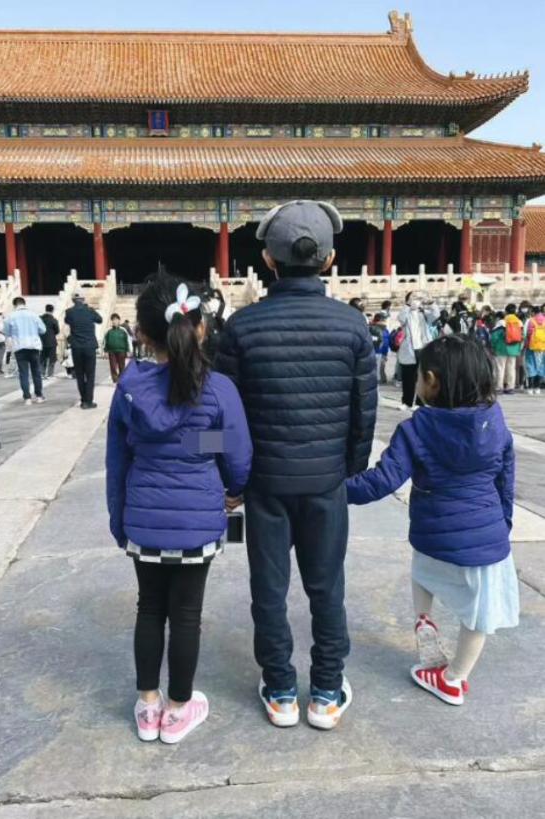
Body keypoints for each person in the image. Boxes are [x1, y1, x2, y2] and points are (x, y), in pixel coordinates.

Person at [216, 200, 377, 730]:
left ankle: (281, 689)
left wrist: (227, 481)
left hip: (264, 485)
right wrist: (345, 470)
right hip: (326, 482)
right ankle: (326, 691)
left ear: (268, 259)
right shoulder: (354, 326)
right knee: (327, 587)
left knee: (269, 588)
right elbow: (363, 416)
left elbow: (221, 412)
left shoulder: (241, 327)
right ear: (328, 261)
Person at [106, 274, 252, 744]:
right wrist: (230, 486)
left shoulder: (129, 388)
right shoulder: (220, 389)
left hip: (143, 521)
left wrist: (119, 520)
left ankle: (147, 707)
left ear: (143, 335)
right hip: (197, 523)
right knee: (186, 614)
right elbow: (235, 454)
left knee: (149, 608)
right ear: (201, 329)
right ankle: (178, 709)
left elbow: (120, 459)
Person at [347, 335, 518, 706]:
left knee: (423, 572)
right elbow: (506, 479)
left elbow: (382, 481)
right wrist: (503, 525)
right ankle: (455, 677)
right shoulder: (496, 421)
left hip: (433, 532)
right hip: (486, 534)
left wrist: (335, 490)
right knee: (479, 614)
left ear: (433, 381)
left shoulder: (419, 426)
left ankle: (424, 618)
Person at [397, 291, 438, 410]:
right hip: (409, 349)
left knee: (423, 377)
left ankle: (420, 402)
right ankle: (406, 402)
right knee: (407, 377)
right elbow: (401, 319)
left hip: (423, 348)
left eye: (417, 298)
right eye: (413, 297)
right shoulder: (405, 312)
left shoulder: (424, 313)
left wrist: (431, 302)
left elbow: (436, 315)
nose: (416, 300)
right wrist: (408, 305)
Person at [4, 297, 46, 406]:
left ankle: (27, 397)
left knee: (23, 373)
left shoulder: (10, 317)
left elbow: (7, 333)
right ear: (24, 303)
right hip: (33, 346)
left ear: (14, 305)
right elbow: (43, 330)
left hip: (19, 346)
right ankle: (39, 395)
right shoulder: (33, 315)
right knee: (36, 372)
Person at [64, 293, 102, 409]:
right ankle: (89, 401)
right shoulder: (89, 311)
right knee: (90, 375)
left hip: (76, 347)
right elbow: (99, 320)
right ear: (83, 300)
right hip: (89, 346)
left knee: (80, 375)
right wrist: (90, 310)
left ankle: (83, 400)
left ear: (73, 300)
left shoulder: (69, 312)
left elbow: (67, 322)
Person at [490, 304, 523, 395]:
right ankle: (510, 387)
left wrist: (493, 346)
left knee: (500, 368)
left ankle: (499, 387)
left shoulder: (502, 322)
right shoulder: (519, 322)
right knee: (511, 368)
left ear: (506, 311)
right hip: (514, 348)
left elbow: (494, 337)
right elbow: (522, 336)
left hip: (502, 348)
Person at [524, 304, 545, 395]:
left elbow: (527, 333)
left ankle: (530, 388)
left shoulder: (531, 320)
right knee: (541, 366)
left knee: (531, 365)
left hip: (531, 346)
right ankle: (537, 388)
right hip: (543, 347)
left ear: (533, 312)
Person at [104, 313, 129, 384]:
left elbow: (127, 340)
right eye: (113, 320)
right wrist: (105, 351)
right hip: (111, 351)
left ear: (119, 321)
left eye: (115, 320)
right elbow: (105, 341)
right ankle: (115, 379)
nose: (114, 321)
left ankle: (122, 378)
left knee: (122, 366)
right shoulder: (108, 331)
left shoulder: (123, 330)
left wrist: (128, 350)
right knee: (113, 366)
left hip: (122, 351)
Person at [40, 304, 60, 378]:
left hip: (41, 341)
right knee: (52, 359)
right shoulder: (54, 320)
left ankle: (42, 373)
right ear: (52, 310)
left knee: (42, 358)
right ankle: (50, 374)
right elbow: (57, 331)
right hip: (51, 341)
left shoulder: (40, 319)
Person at [370, 312, 390, 385]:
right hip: (376, 352)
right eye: (384, 319)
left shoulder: (384, 329)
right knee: (377, 369)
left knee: (379, 369)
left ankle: (380, 380)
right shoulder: (372, 328)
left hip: (379, 352)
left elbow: (386, 342)